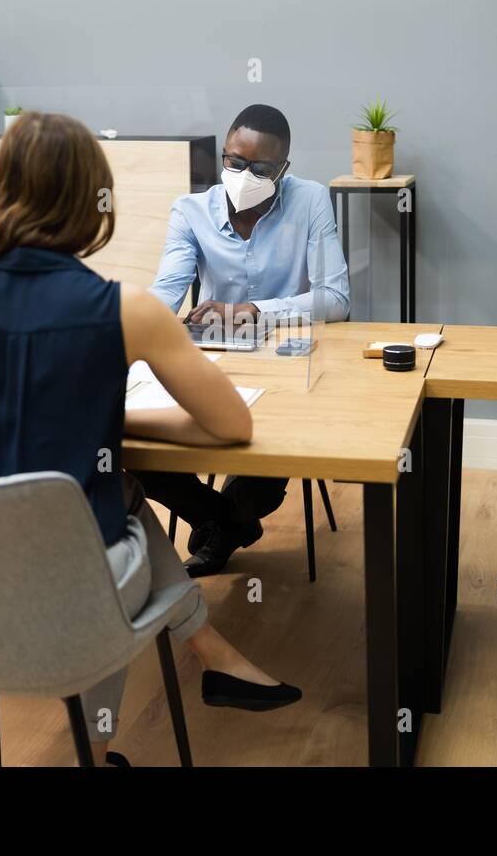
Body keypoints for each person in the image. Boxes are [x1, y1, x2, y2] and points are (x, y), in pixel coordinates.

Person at [0, 111, 302, 767]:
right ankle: (103, 744)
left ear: (0, 191)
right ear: (94, 200)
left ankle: (215, 657)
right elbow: (233, 424)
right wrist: (104, 419)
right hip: (74, 601)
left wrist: (74, 415)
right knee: (113, 516)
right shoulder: (127, 310)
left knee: (116, 501)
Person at [140, 103, 350, 577]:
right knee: (129, 441)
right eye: (235, 161)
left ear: (284, 169)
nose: (243, 174)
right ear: (224, 154)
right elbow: (165, 294)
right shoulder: (191, 211)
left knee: (271, 454)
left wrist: (253, 311)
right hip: (214, 365)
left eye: (261, 168)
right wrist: (133, 323)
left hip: (291, 364)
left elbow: (335, 299)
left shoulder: (310, 200)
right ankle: (222, 520)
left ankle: (222, 529)